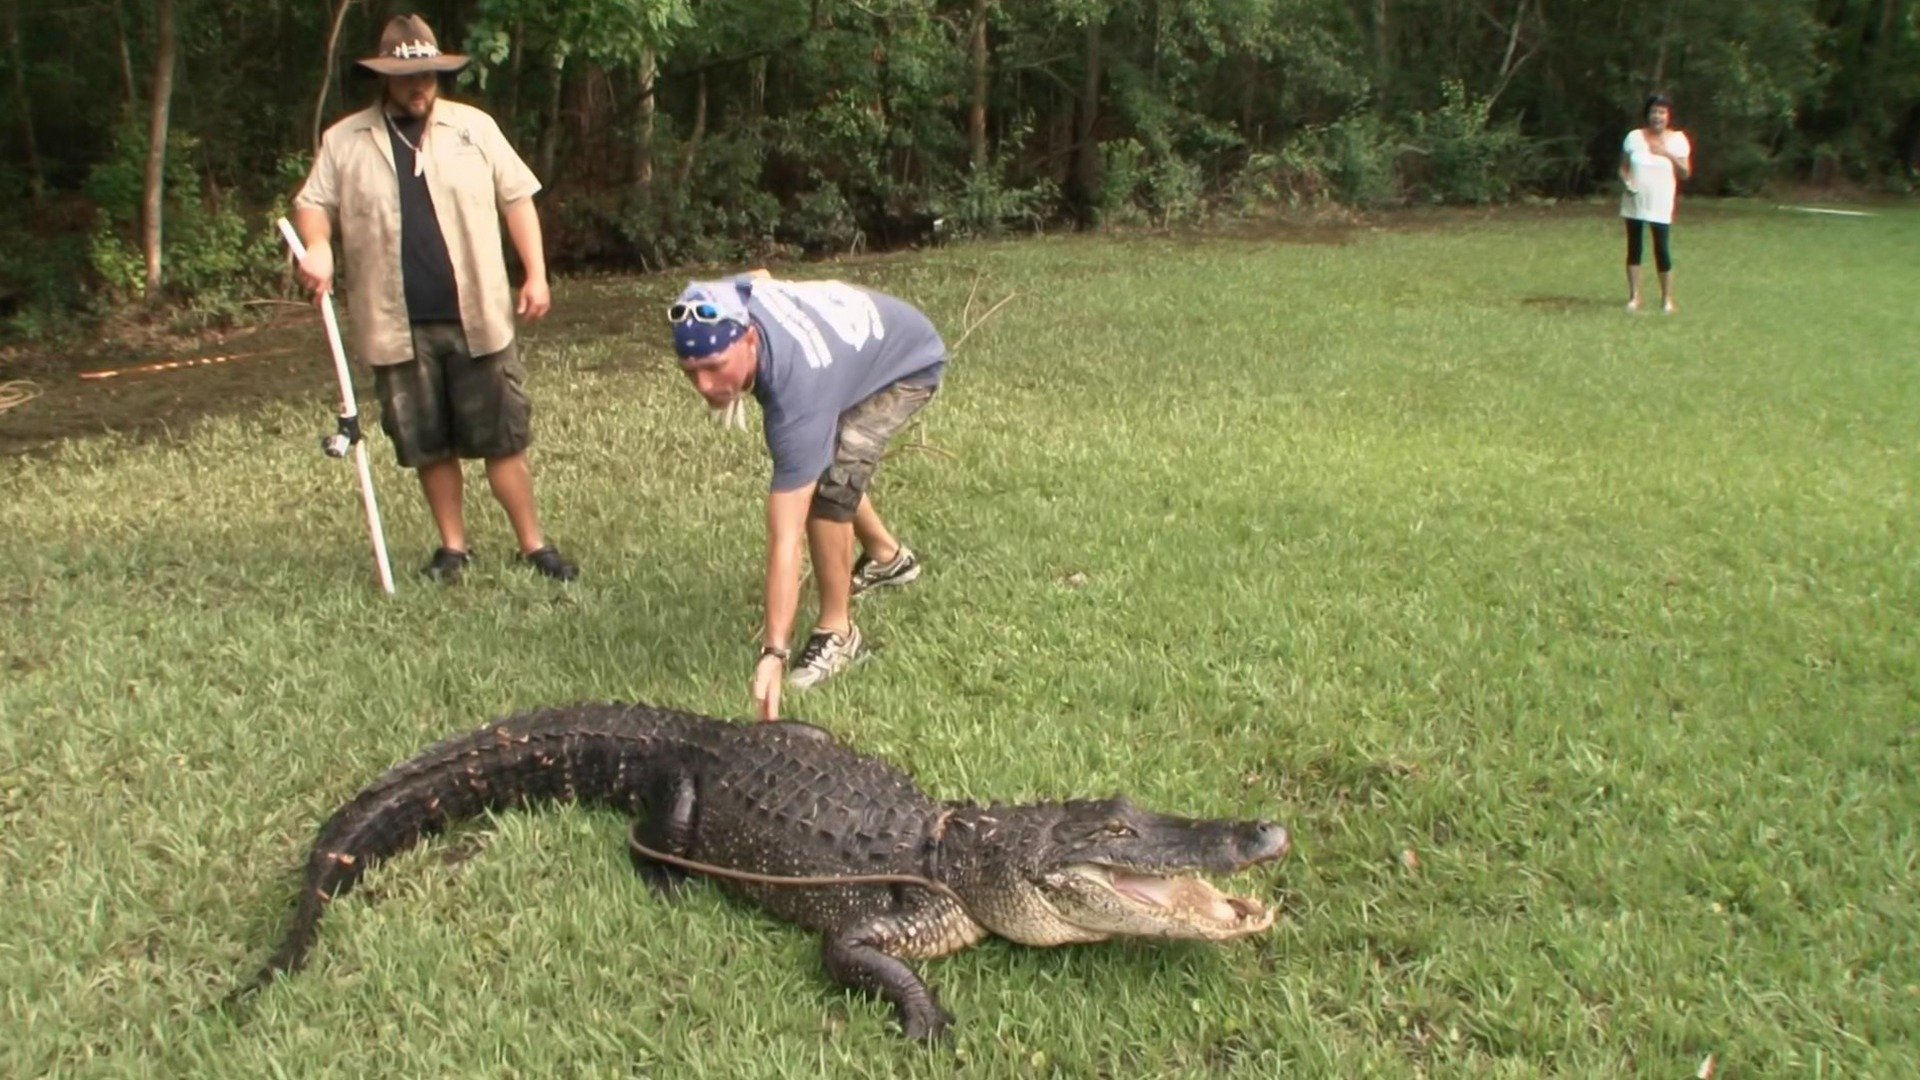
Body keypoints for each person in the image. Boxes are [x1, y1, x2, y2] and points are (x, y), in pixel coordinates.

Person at [290, 14, 577, 584]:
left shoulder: (475, 128)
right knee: (428, 442)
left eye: (429, 75)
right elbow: (312, 205)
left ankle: (533, 544)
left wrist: (536, 274)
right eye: (407, 77)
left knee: (504, 436)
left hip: (479, 316)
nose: (419, 86)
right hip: (396, 324)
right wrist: (318, 248)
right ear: (384, 78)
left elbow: (518, 199)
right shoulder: (345, 141)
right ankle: (453, 549)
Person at [670, 273, 946, 720]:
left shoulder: (797, 390)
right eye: (691, 371)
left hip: (906, 365)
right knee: (824, 462)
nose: (703, 385)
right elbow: (757, 277)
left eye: (715, 366)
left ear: (751, 340)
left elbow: (786, 537)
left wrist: (773, 652)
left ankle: (839, 632)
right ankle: (887, 557)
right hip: (858, 350)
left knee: (830, 490)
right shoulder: (716, 299)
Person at [1618, 93, 1693, 314]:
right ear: (1647, 114)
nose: (1657, 116)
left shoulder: (1678, 139)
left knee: (1661, 248)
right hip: (1635, 201)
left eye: (1661, 112)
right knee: (1635, 247)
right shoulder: (1634, 137)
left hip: (1660, 203)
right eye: (1653, 112)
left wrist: (1667, 153)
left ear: (1668, 116)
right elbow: (1622, 168)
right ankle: (1634, 297)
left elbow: (1685, 172)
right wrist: (1626, 181)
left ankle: (1667, 299)